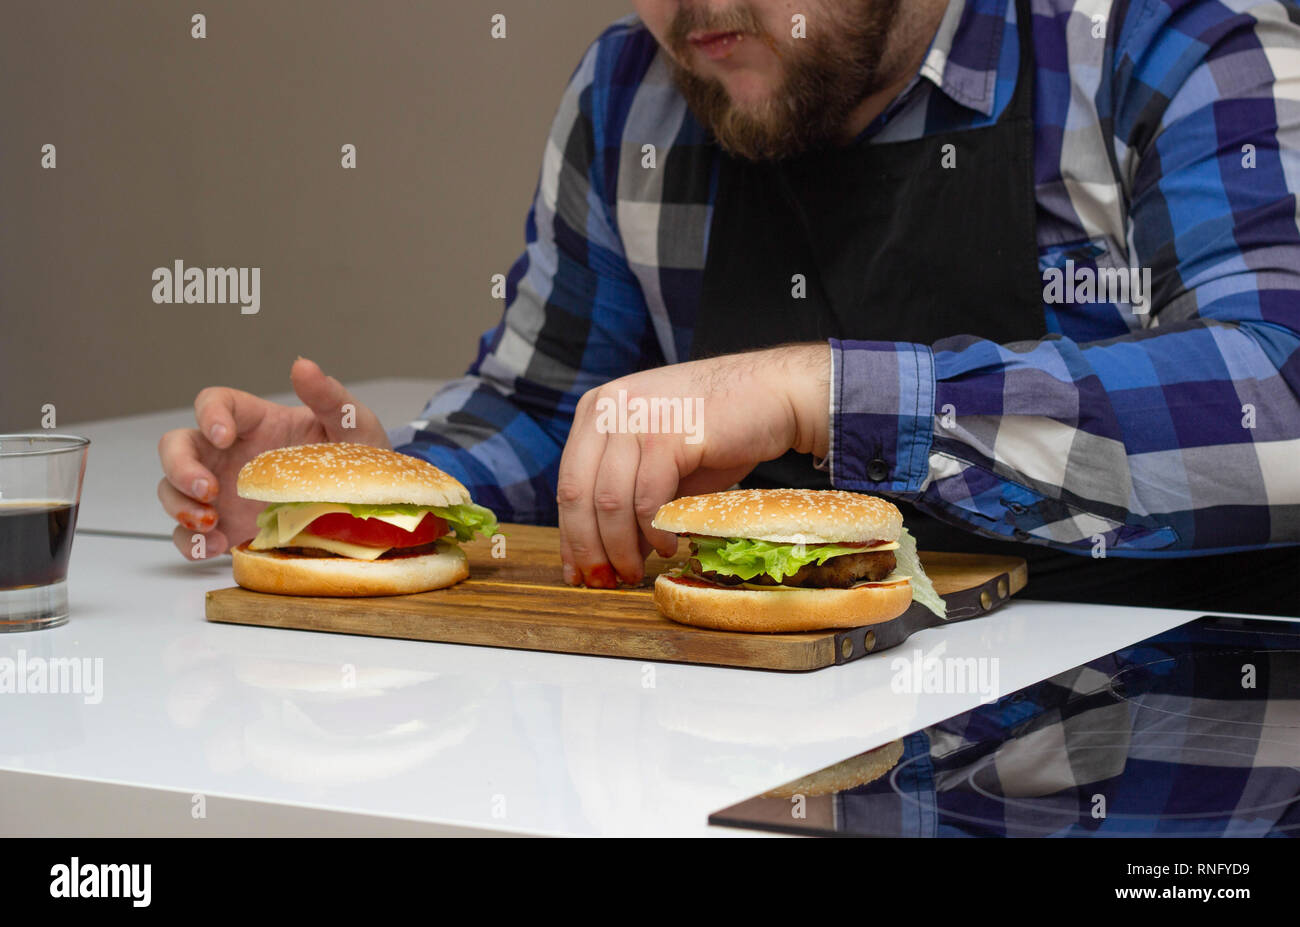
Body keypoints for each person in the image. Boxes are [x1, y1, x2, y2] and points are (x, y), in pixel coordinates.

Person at [158, 0, 1300, 614]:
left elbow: (1279, 392)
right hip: (744, 742)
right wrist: (378, 496)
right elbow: (545, 405)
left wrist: (812, 392)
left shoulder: (1177, 38)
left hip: (1162, 733)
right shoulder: (629, 93)